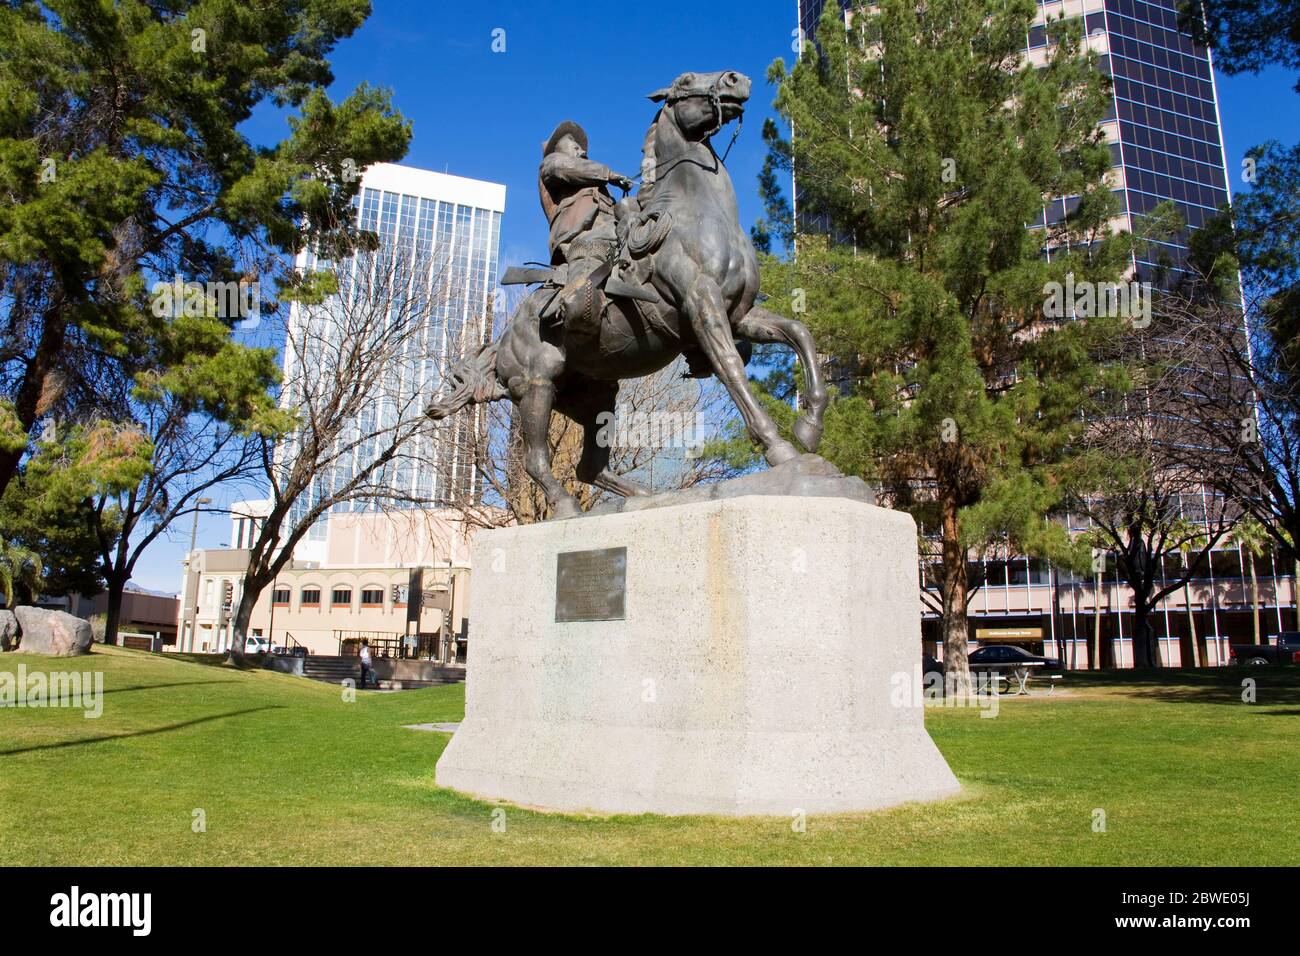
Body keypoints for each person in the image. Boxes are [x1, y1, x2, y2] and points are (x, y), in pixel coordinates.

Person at [537, 121, 636, 337]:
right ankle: (577, 318)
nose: (581, 150)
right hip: (583, 238)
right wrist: (608, 174)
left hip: (613, 233)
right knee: (584, 288)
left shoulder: (595, 184)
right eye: (574, 146)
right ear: (557, 150)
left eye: (581, 148)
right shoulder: (551, 164)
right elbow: (567, 168)